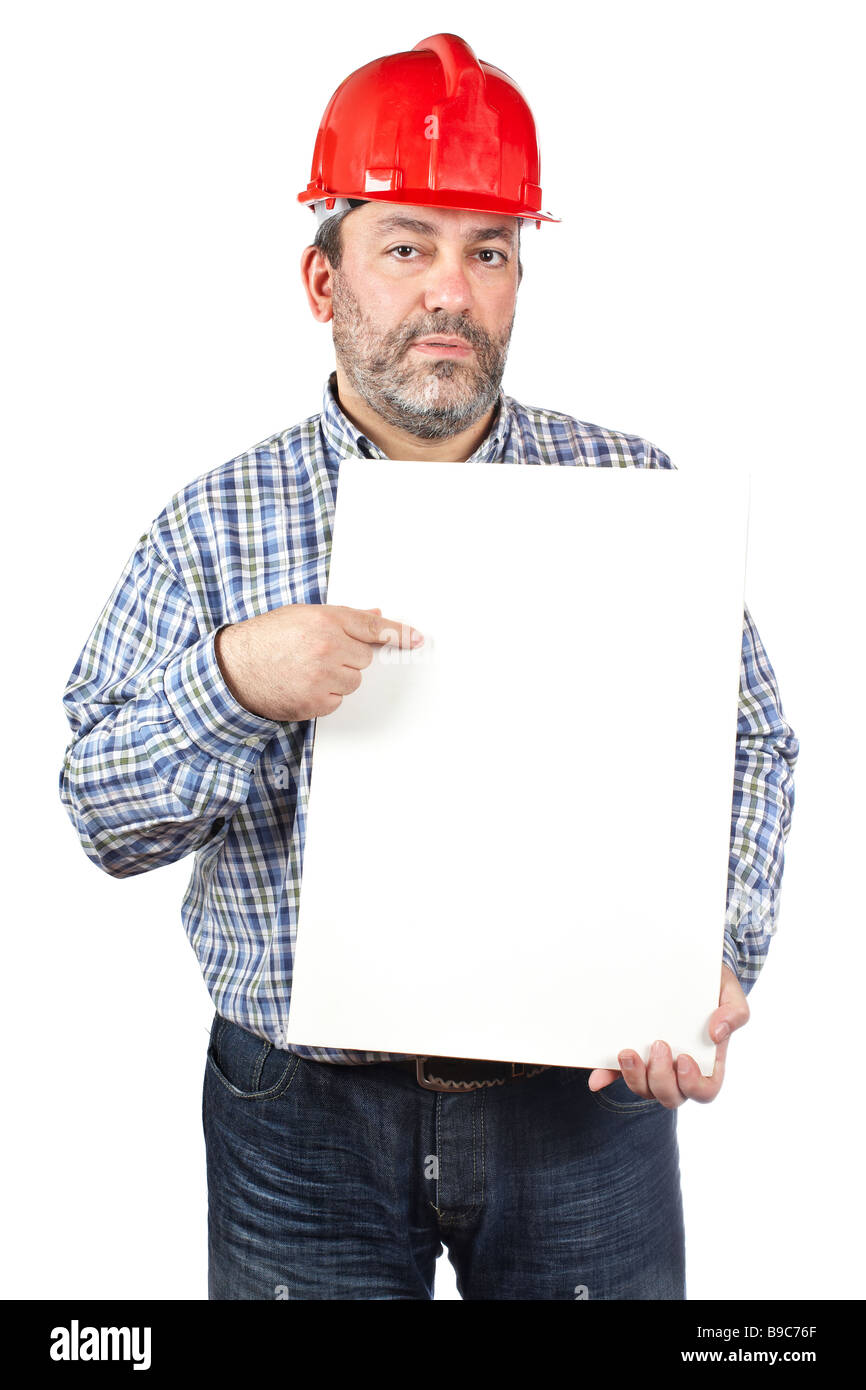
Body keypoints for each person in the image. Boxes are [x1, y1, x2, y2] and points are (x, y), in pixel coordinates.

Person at [59, 32, 799, 1301]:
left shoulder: (628, 495)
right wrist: (234, 681)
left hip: (583, 1098)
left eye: (489, 251)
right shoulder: (210, 526)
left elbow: (751, 746)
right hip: (298, 1116)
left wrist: (709, 957)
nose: (449, 292)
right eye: (406, 246)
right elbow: (100, 813)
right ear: (321, 278)